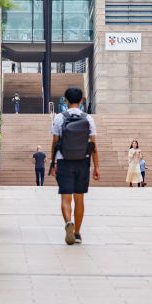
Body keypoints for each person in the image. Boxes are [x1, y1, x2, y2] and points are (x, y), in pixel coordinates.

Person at [49, 87, 100, 245]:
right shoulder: (88, 118)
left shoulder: (59, 118)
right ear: (81, 100)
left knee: (66, 197)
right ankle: (77, 233)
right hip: (83, 161)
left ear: (66, 100)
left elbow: (55, 143)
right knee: (79, 198)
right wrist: (96, 167)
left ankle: (68, 222)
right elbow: (93, 145)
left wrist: (52, 163)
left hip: (64, 160)